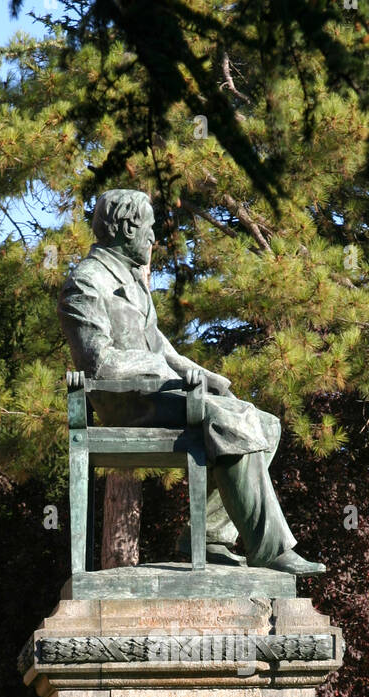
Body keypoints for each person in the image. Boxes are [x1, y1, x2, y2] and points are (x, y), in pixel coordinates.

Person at [58, 189, 324, 575]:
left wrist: (200, 373)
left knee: (266, 425)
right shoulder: (86, 282)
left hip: (157, 392)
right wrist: (168, 373)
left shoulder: (132, 281)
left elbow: (160, 345)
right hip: (127, 401)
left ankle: (213, 537)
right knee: (230, 421)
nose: (153, 238)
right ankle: (270, 551)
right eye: (149, 229)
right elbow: (100, 362)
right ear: (126, 228)